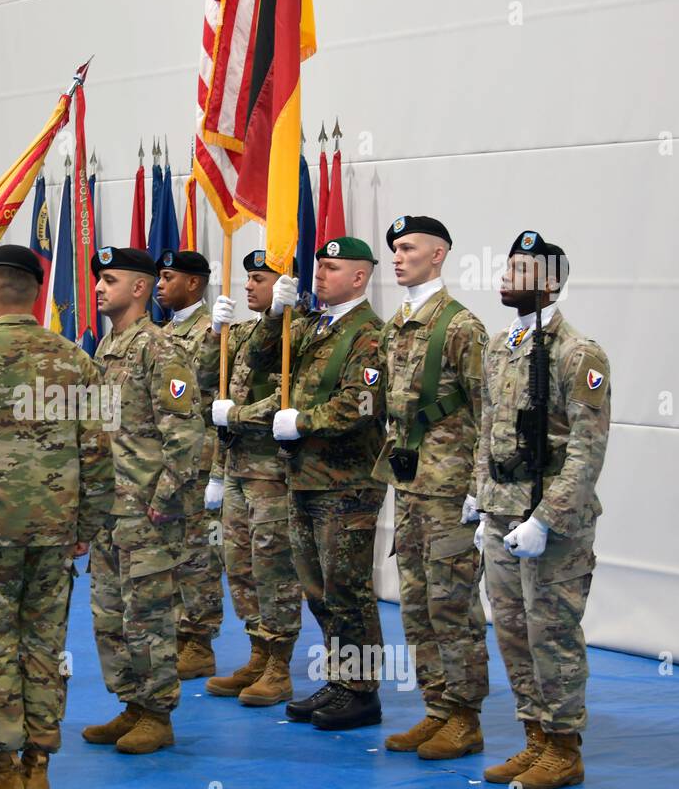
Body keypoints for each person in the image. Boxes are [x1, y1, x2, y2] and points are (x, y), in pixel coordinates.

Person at [0, 244, 114, 789]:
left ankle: (4, 767)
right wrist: (86, 524)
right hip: (57, 530)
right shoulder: (78, 361)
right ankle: (39, 765)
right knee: (45, 644)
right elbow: (99, 453)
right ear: (38, 294)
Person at [476, 231, 610, 789]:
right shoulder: (501, 345)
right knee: (510, 630)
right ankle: (534, 739)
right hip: (502, 514)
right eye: (506, 265)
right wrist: (478, 493)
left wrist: (545, 519)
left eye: (522, 269)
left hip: (550, 523)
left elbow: (586, 448)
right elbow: (486, 430)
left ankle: (564, 748)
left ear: (550, 282)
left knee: (551, 632)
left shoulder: (578, 354)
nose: (507, 275)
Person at [256, 238, 388, 731]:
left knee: (348, 589)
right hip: (304, 479)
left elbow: (364, 405)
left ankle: (361, 692)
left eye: (331, 268)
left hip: (347, 482)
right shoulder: (311, 325)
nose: (320, 275)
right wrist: (275, 314)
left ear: (358, 277)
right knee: (318, 591)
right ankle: (339, 679)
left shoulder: (370, 334)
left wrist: (303, 421)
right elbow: (261, 362)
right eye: (319, 266)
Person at [374, 215, 491, 760]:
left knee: (453, 606)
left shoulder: (461, 327)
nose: (398, 257)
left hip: (448, 491)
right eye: (394, 248)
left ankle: (465, 718)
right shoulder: (397, 324)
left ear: (438, 254)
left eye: (409, 248)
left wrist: (482, 490)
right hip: (409, 486)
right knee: (416, 604)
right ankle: (437, 708)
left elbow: (492, 413)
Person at [81, 246, 204, 754]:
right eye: (97, 280)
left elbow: (186, 434)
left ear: (139, 288)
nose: (98, 288)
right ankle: (131, 704)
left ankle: (157, 713)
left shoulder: (160, 349)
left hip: (147, 513)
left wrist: (164, 503)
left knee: (148, 615)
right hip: (109, 512)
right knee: (110, 616)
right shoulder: (104, 351)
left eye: (109, 280)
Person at [198, 250, 303, 706]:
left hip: (273, 470)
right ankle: (258, 651)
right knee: (239, 565)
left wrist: (238, 417)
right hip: (238, 466)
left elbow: (288, 396)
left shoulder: (298, 332)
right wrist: (212, 332)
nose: (248, 287)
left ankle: (279, 664)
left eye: (259, 278)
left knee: (272, 565)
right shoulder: (242, 332)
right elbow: (204, 377)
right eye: (248, 278)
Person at [156, 248, 224, 680]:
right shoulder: (161, 333)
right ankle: (173, 632)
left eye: (168, 277)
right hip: (164, 459)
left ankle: (197, 641)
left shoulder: (213, 330)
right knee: (168, 550)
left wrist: (219, 334)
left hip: (197, 460)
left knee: (197, 554)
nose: (160, 285)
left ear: (193, 283)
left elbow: (208, 380)